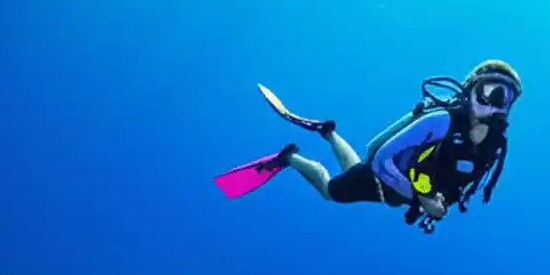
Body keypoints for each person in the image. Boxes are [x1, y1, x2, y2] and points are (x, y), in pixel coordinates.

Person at [214, 60, 521, 233]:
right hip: (387, 175)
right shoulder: (440, 122)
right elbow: (380, 160)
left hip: (400, 190)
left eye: (505, 99)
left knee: (355, 169)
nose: (495, 106)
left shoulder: (495, 144)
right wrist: (422, 198)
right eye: (489, 94)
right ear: (469, 93)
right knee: (331, 191)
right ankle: (289, 158)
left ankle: (328, 133)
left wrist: (435, 205)